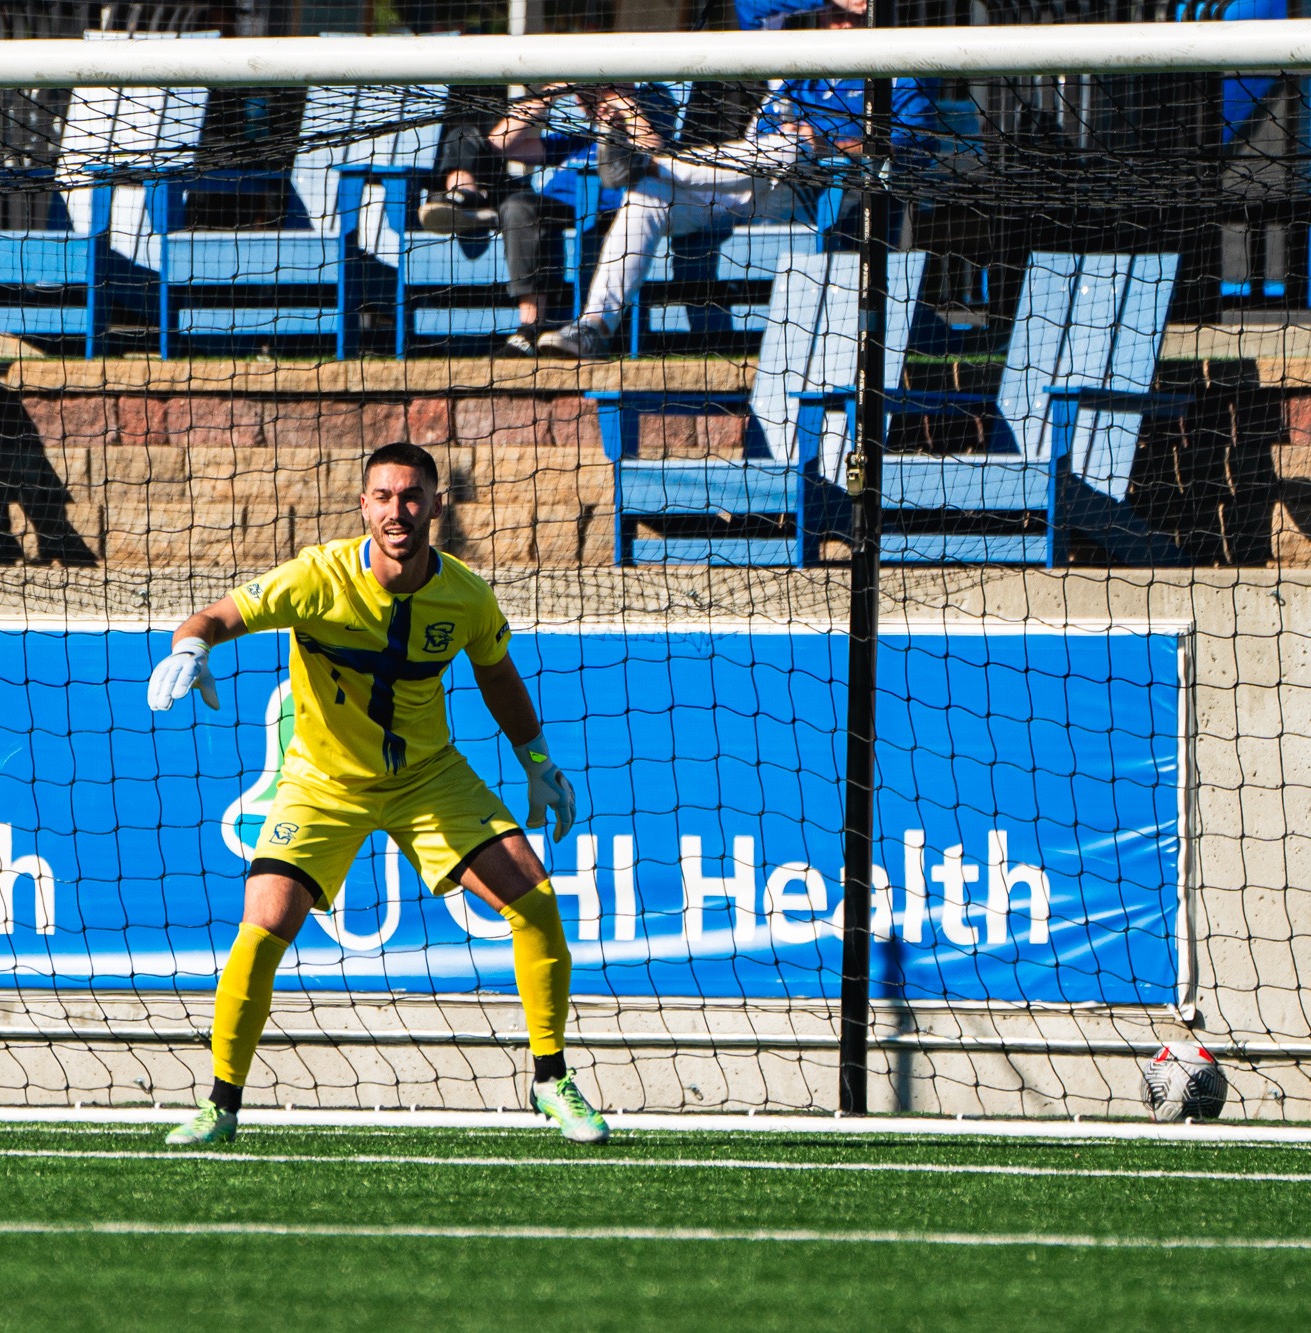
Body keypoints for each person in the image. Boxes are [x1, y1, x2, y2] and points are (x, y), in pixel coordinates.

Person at [147, 441, 605, 1147]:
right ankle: (220, 1104)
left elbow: (498, 675)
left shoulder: (466, 594)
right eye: (384, 497)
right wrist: (188, 648)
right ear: (364, 507)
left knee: (537, 903)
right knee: (262, 927)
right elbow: (212, 618)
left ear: (434, 507)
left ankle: (550, 1078)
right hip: (323, 784)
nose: (399, 511)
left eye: (412, 496)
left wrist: (538, 761)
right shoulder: (314, 578)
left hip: (429, 777)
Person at [538, 3, 940, 359]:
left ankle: (654, 163)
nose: (839, 25)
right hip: (744, 184)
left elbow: (912, 150)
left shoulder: (900, 70)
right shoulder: (804, 70)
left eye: (851, 17)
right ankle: (594, 327)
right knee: (645, 196)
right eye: (832, 14)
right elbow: (751, 8)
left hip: (818, 192)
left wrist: (828, 143)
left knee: (790, 141)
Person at [416, 85, 664, 355]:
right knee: (467, 136)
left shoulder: (634, 137)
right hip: (548, 206)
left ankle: (485, 216)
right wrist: (548, 96)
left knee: (520, 207)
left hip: (595, 213)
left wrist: (620, 104)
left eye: (592, 94)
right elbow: (500, 143)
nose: (585, 102)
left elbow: (656, 149)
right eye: (583, 95)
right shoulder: (578, 140)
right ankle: (465, 197)